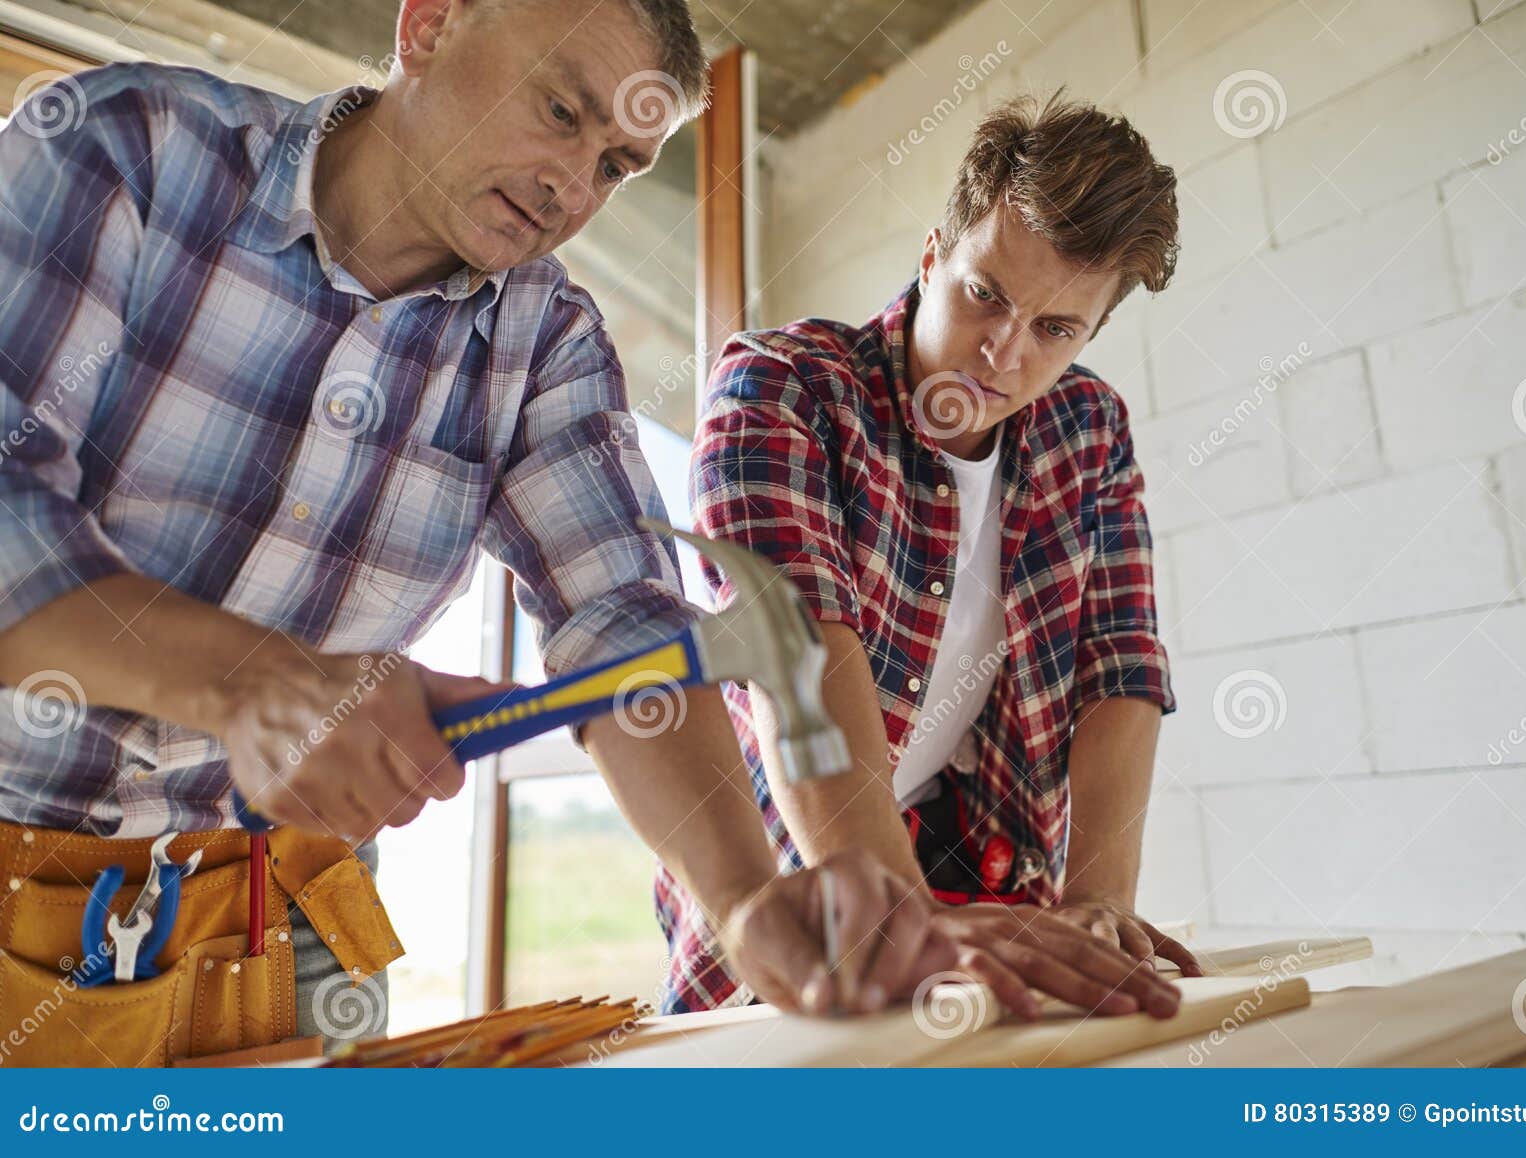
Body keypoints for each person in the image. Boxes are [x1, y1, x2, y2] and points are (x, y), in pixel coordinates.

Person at [0, 0, 950, 1065]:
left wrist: (741, 899)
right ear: (431, 23)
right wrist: (253, 683)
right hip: (24, 890)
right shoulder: (127, 147)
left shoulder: (544, 342)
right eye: (559, 110)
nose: (572, 188)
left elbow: (623, 628)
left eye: (619, 165)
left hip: (296, 909)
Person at [658, 92, 1201, 1019]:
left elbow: (1120, 669)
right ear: (932, 254)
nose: (1002, 351)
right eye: (985, 293)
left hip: (991, 867)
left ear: (1089, 338)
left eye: (1054, 330)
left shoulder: (1091, 431)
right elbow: (792, 654)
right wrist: (893, 917)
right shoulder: (781, 388)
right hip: (802, 874)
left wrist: (1100, 901)